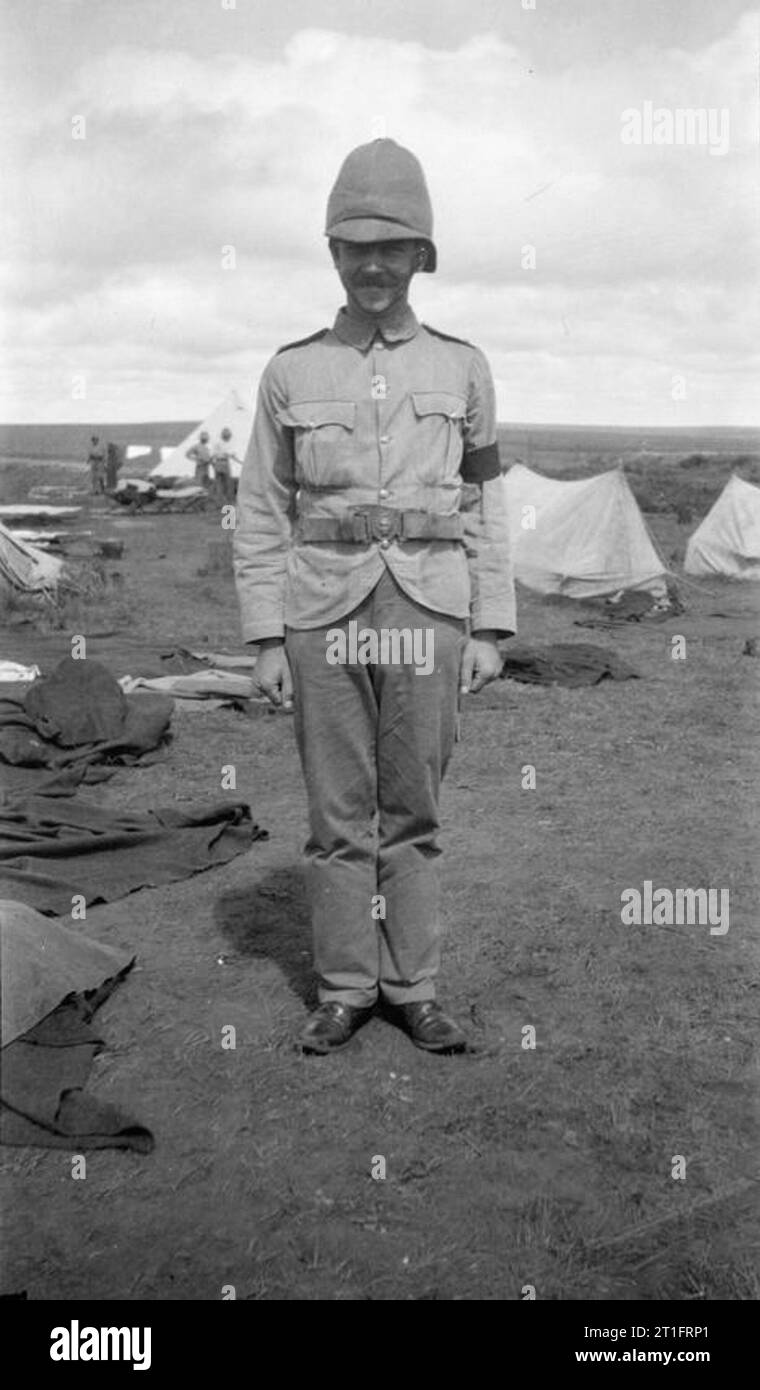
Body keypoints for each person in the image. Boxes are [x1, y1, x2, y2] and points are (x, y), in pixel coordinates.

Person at [234, 138, 515, 1055]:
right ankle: (346, 989)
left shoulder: (464, 368)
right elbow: (262, 508)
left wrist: (491, 625)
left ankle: (416, 987)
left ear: (421, 258)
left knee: (416, 813)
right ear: (334, 256)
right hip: (322, 614)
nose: (374, 266)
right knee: (337, 817)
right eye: (357, 248)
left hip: (429, 609)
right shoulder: (292, 371)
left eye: (393, 249)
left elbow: (484, 500)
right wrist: (265, 640)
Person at [211, 428, 239, 504]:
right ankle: (226, 499)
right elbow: (228, 454)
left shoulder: (223, 443)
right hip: (222, 462)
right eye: (228, 436)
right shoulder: (220, 443)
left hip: (221, 462)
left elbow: (231, 454)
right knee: (225, 482)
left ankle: (223, 499)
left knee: (221, 482)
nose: (229, 437)